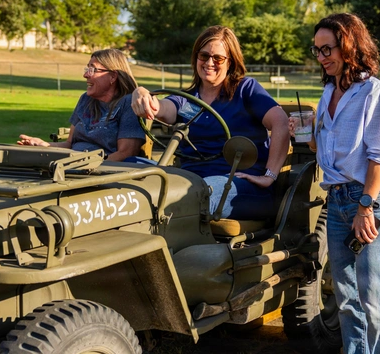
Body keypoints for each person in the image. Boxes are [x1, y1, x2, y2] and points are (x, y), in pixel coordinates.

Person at [305, 13, 380, 354]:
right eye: (317, 50)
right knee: (345, 292)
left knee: (375, 294)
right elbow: (324, 151)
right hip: (338, 197)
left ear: (350, 47)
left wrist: (366, 205)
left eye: (327, 49)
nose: (321, 56)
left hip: (371, 200)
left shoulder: (377, 95)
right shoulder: (327, 93)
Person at [130, 25, 288, 220]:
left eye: (218, 58)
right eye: (203, 56)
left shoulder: (246, 90)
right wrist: (142, 93)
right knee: (131, 168)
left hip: (238, 182)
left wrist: (268, 176)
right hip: (191, 178)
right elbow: (161, 108)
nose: (209, 63)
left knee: (198, 194)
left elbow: (280, 121)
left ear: (230, 62)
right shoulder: (187, 99)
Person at [17, 49, 145, 162]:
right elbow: (69, 144)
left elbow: (125, 154)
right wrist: (44, 145)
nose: (85, 75)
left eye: (93, 69)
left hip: (102, 174)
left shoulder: (129, 103)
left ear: (112, 76)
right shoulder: (86, 99)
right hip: (73, 166)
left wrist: (86, 168)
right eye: (86, 69)